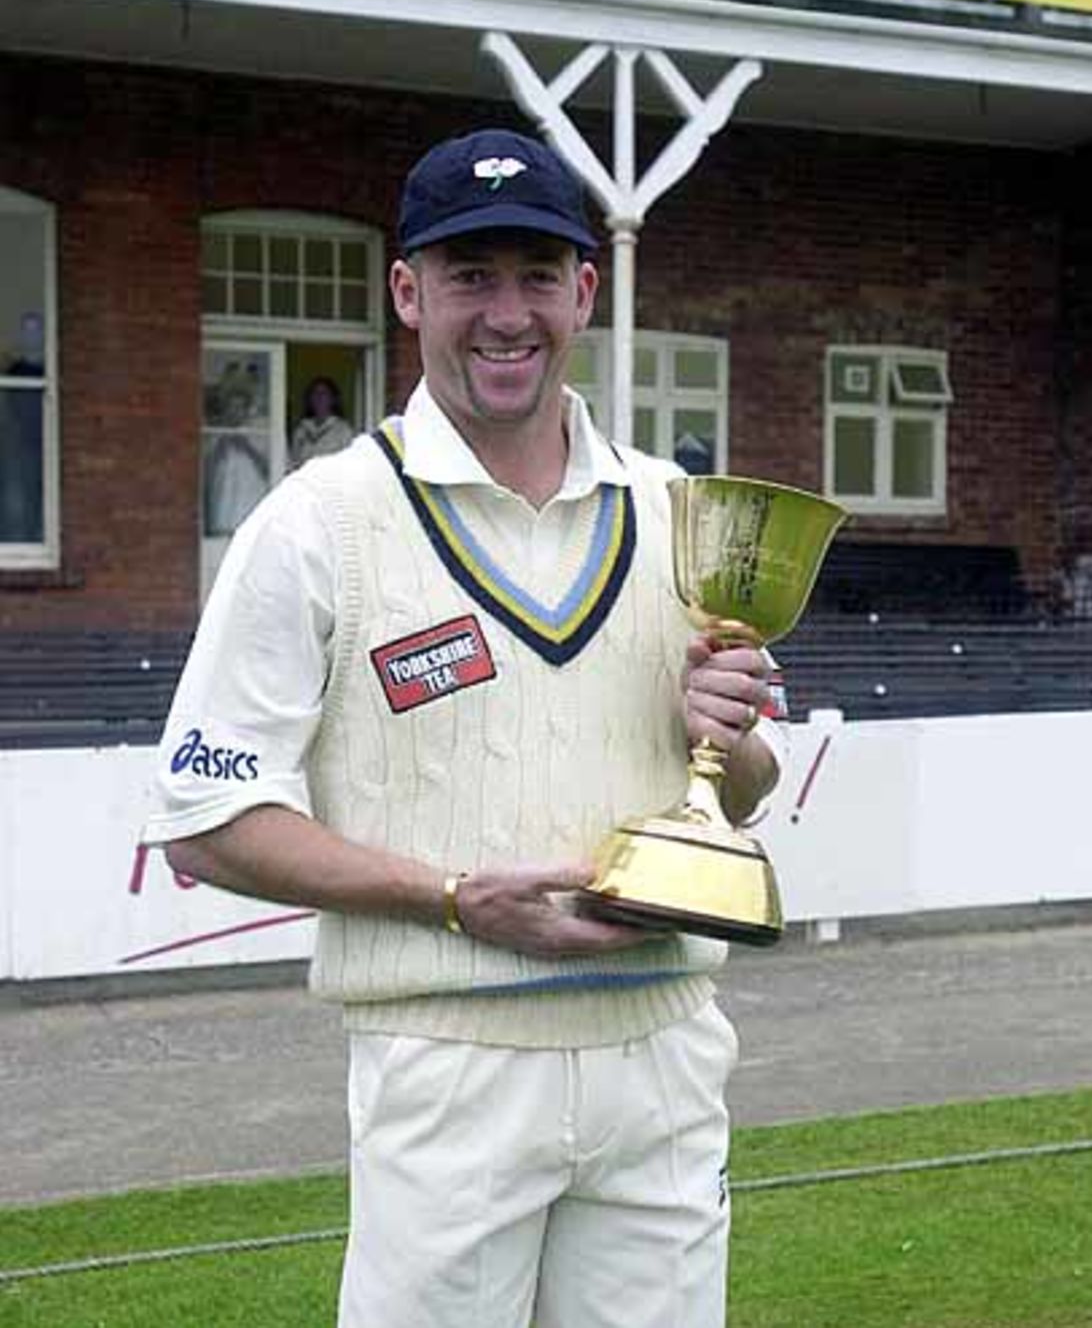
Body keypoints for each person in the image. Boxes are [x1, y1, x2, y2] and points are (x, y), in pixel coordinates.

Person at [143, 127, 781, 1328]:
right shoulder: (320, 521)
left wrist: (732, 732)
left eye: (537, 275)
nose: (506, 313)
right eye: (469, 274)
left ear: (583, 292)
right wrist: (450, 897)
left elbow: (739, 791)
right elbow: (204, 820)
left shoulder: (679, 512)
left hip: (664, 1049)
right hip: (448, 1062)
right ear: (407, 292)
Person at [290, 376, 356, 467]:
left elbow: (349, 463)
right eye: (315, 393)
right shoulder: (301, 430)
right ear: (310, 399)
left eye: (324, 393)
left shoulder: (343, 430)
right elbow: (294, 462)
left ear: (332, 399)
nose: (319, 398)